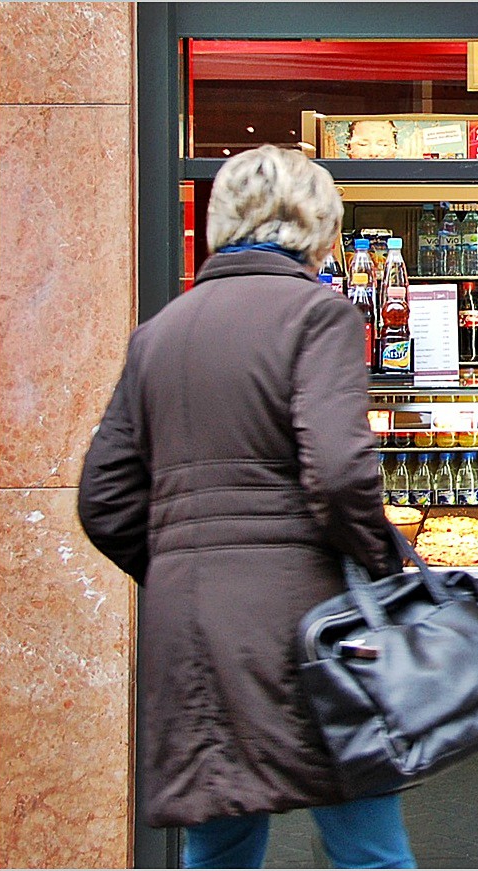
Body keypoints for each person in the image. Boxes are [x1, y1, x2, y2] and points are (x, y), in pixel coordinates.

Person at [77, 145, 416, 868]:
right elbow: (339, 475)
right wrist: (385, 570)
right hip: (312, 627)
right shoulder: (318, 316)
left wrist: (180, 564)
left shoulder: (157, 334)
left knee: (219, 840)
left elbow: (103, 500)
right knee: (368, 844)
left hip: (191, 631)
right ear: (318, 229)